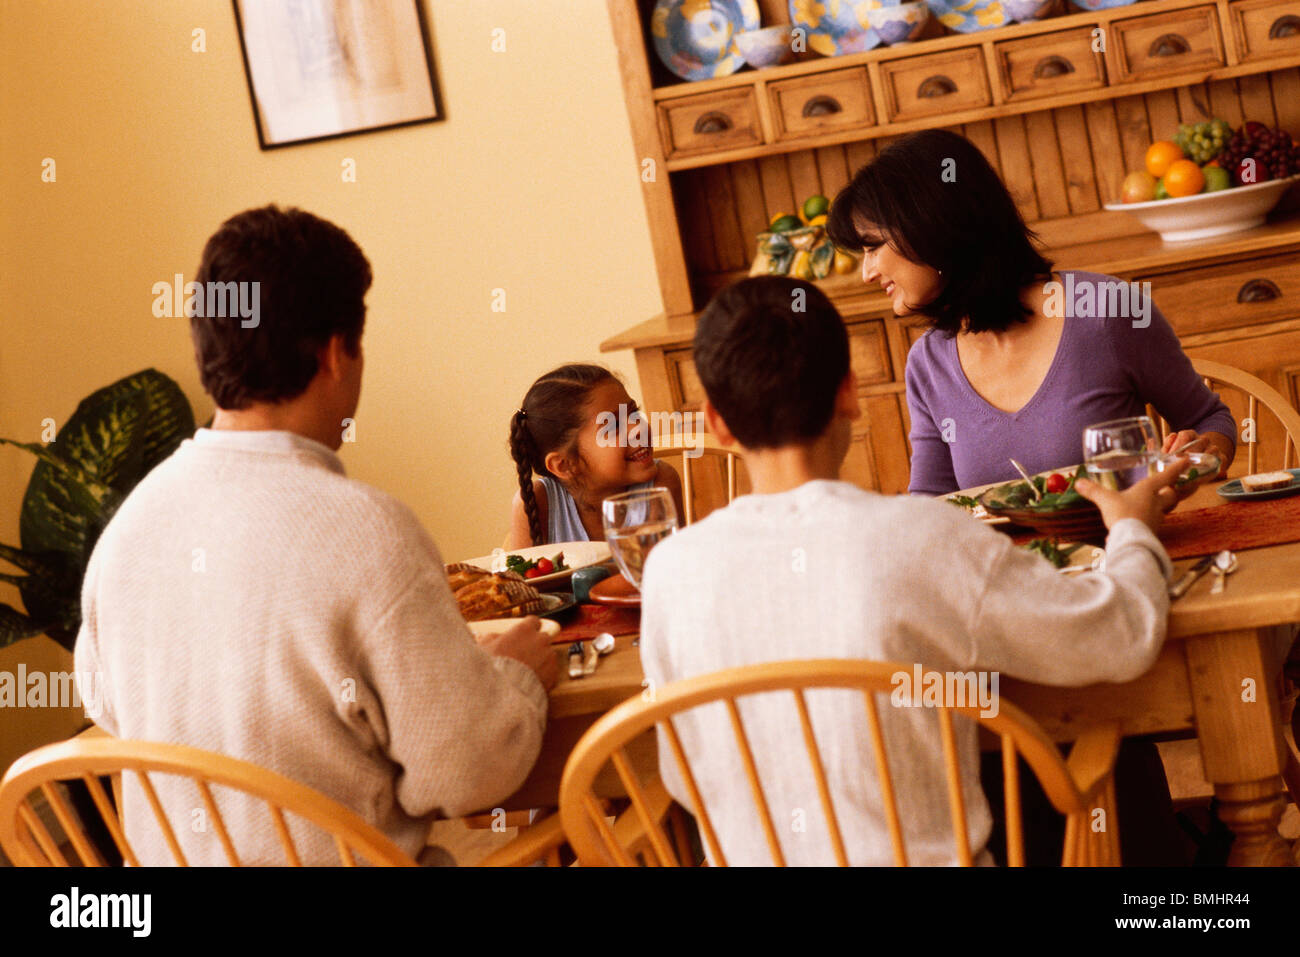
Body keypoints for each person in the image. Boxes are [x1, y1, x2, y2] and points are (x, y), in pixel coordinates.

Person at [639, 275, 1189, 866]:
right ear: (848, 394)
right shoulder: (923, 535)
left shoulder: (671, 569)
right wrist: (1133, 527)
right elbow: (1119, 637)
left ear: (716, 422)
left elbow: (684, 778)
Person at [75, 205, 557, 866]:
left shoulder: (129, 529)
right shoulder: (368, 530)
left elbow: (108, 707)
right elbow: (463, 774)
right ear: (335, 353)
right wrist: (514, 679)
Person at [824, 128, 1236, 496]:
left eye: (872, 247)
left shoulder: (1105, 310)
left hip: (1125, 564)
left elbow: (1208, 419)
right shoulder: (928, 363)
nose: (867, 272)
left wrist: (1200, 456)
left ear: (931, 228)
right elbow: (932, 503)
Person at [505, 364, 684, 548]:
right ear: (565, 465)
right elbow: (520, 577)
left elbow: (664, 570)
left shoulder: (660, 483)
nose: (638, 428)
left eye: (634, 413)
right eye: (613, 426)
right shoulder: (535, 502)